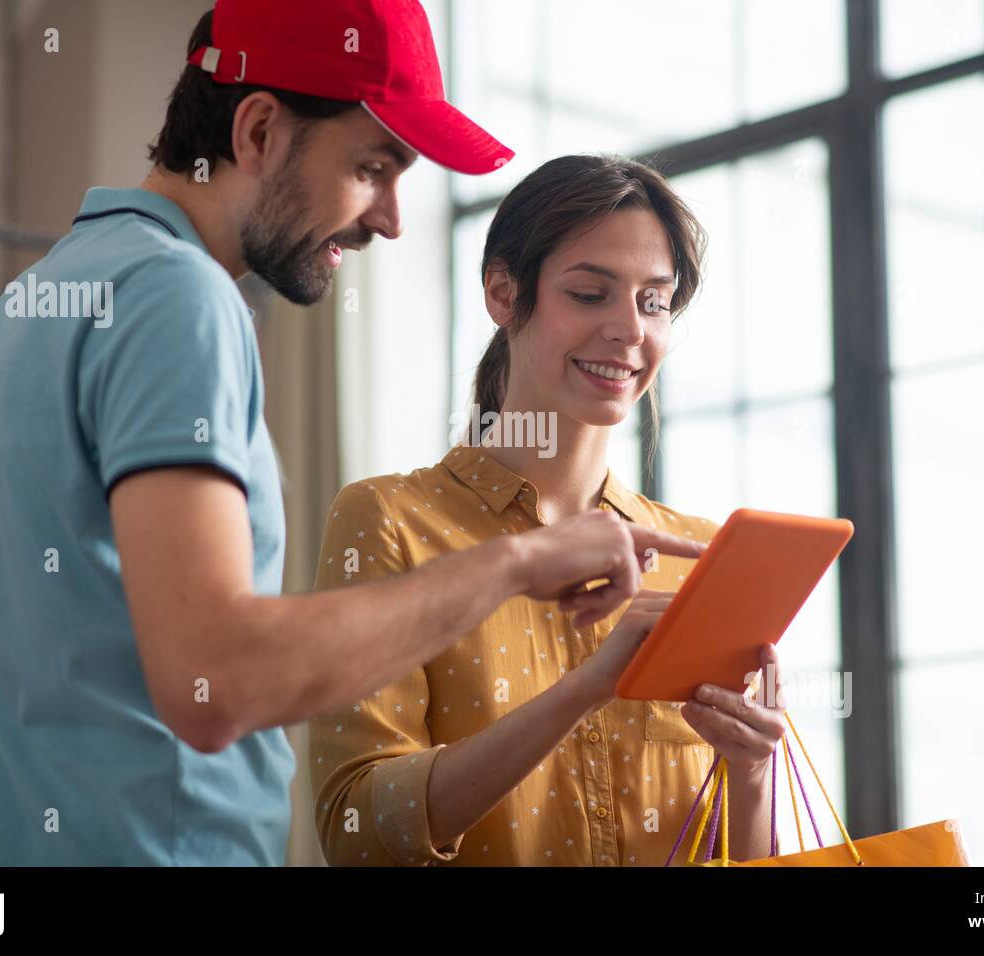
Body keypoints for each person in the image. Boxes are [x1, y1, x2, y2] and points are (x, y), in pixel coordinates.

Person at [0, 1, 704, 866]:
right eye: (373, 167)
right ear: (260, 129)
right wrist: (519, 563)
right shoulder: (177, 299)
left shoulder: (40, 298)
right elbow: (217, 682)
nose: (391, 219)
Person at [310, 154, 788, 866]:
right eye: (591, 294)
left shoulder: (702, 556)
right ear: (503, 294)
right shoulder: (389, 521)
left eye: (654, 301)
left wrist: (752, 773)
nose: (630, 329)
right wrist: (585, 691)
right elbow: (357, 831)